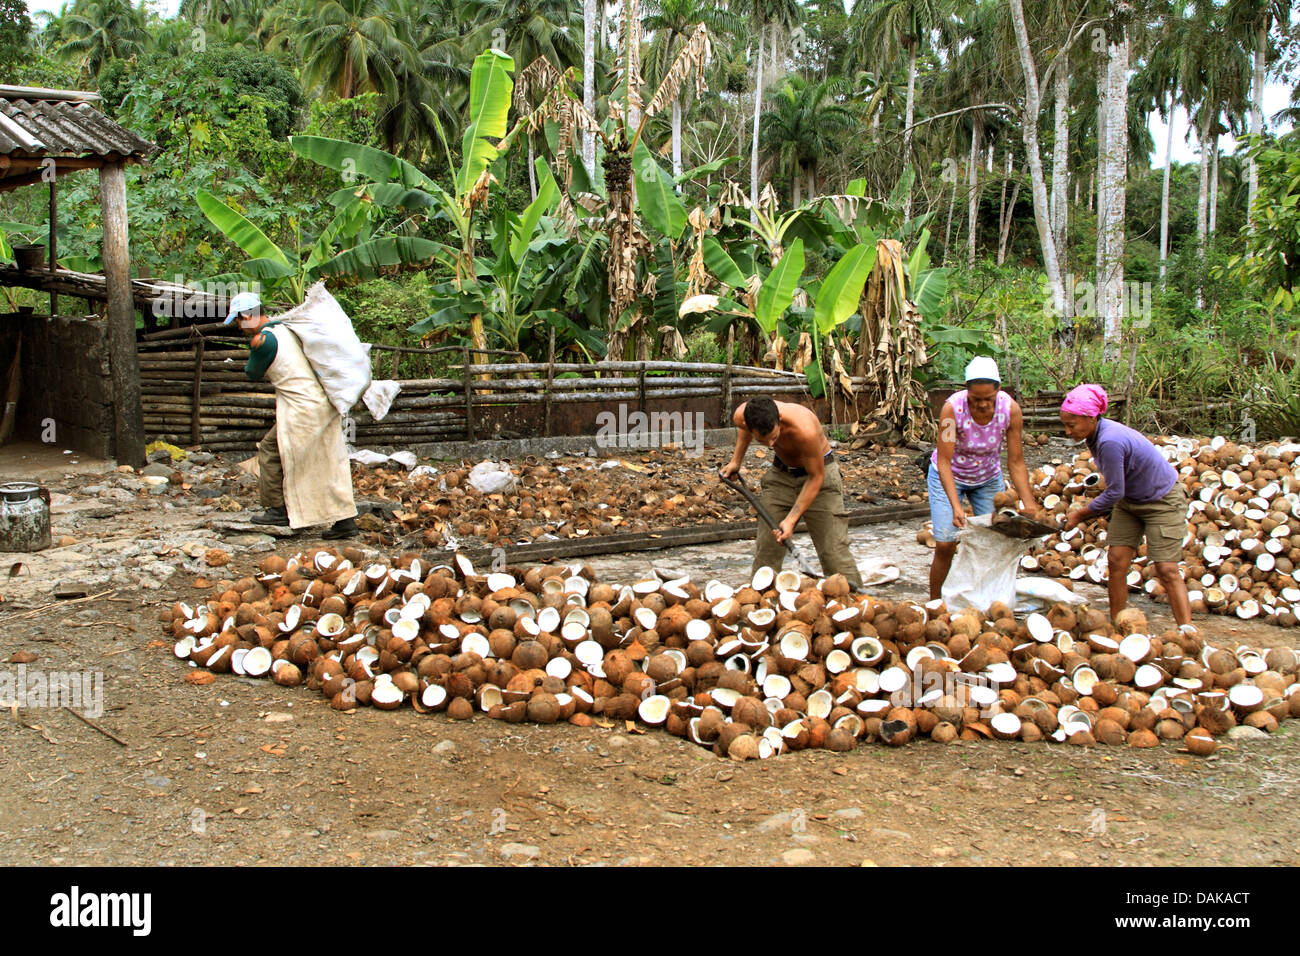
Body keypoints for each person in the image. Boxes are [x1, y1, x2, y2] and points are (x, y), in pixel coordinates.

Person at [226, 291, 358, 540]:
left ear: (246, 316)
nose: (239, 327)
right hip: (320, 403)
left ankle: (278, 510)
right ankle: (345, 522)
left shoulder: (265, 341)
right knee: (329, 461)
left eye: (238, 321)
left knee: (271, 450)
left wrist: (253, 347)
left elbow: (252, 372)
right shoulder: (285, 330)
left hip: (301, 410)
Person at [1060, 383, 1193, 628]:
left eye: (1072, 425)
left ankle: (1188, 632)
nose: (1068, 431)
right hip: (1130, 501)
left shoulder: (1110, 440)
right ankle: (1117, 623)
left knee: (1167, 569)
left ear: (1091, 418)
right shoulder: (1094, 435)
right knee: (1117, 561)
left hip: (1162, 500)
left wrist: (1079, 514)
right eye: (1065, 425)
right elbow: (1119, 489)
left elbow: (1114, 491)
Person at [928, 356, 1042, 599]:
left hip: (988, 478)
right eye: (975, 399)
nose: (981, 405)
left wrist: (1028, 502)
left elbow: (1016, 461)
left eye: (988, 399)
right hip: (949, 476)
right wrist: (956, 506)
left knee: (997, 540)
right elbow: (944, 462)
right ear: (966, 392)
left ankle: (988, 599)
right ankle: (935, 603)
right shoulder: (952, 409)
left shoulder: (1010, 410)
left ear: (998, 391)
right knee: (946, 544)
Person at [719, 396, 863, 587]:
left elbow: (816, 477)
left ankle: (855, 600)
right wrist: (736, 461)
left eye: (774, 437)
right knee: (768, 546)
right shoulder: (741, 416)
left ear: (779, 417)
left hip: (819, 476)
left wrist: (791, 519)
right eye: (763, 441)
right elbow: (744, 431)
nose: (770, 445)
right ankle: (762, 598)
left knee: (834, 550)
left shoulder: (804, 429)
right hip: (781, 475)